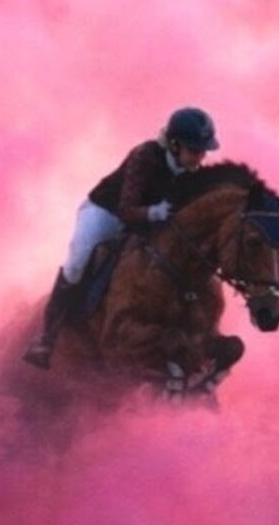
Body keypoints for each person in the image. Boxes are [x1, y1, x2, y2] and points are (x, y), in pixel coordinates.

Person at [23, 107, 219, 368]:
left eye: (203, 151)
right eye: (195, 150)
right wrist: (153, 212)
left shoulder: (193, 172)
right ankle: (45, 338)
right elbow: (126, 209)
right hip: (106, 212)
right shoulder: (145, 156)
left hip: (148, 221)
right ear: (174, 145)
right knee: (77, 264)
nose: (201, 157)